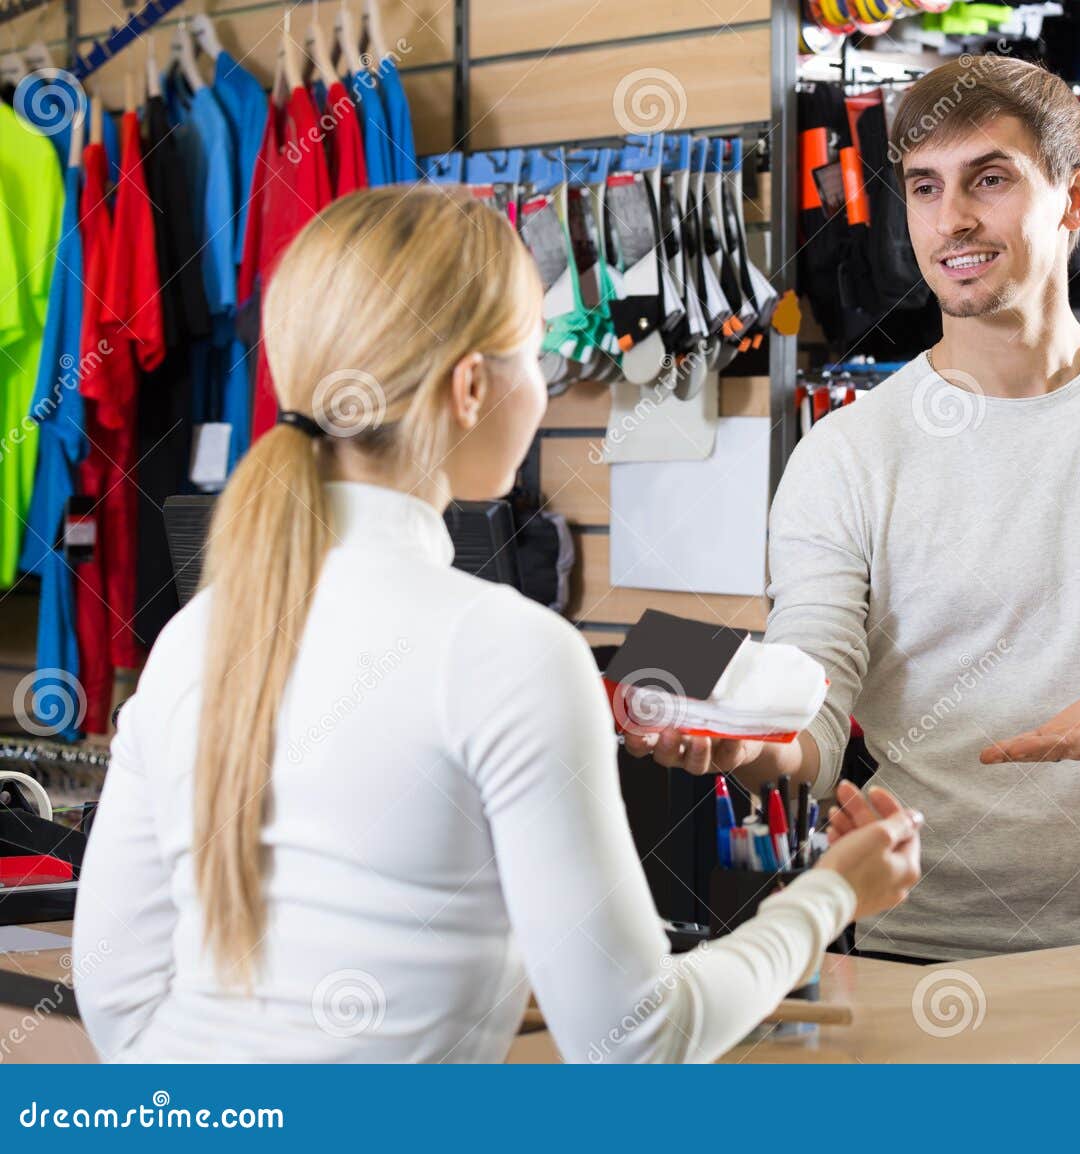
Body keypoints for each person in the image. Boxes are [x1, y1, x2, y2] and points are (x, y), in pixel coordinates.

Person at [72, 187, 922, 1062]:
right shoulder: (504, 648)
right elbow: (637, 1040)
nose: (546, 386)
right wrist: (829, 895)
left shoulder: (194, 638)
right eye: (537, 354)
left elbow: (117, 1000)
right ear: (472, 385)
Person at [631, 57, 1080, 962]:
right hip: (917, 951)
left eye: (988, 180)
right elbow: (816, 726)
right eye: (924, 187)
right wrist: (737, 742)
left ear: (1073, 201)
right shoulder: (847, 452)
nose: (951, 220)